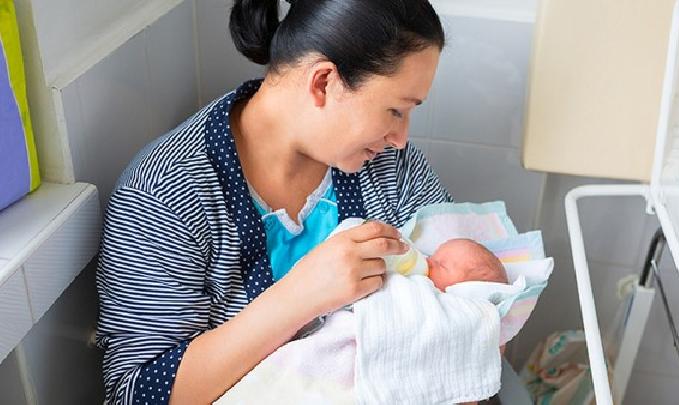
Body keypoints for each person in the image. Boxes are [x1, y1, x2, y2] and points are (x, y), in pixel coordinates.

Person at [96, 0, 450, 403]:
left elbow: (463, 286)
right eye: (395, 110)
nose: (401, 138)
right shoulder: (164, 193)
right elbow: (136, 394)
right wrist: (300, 295)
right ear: (323, 82)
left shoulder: (389, 164)